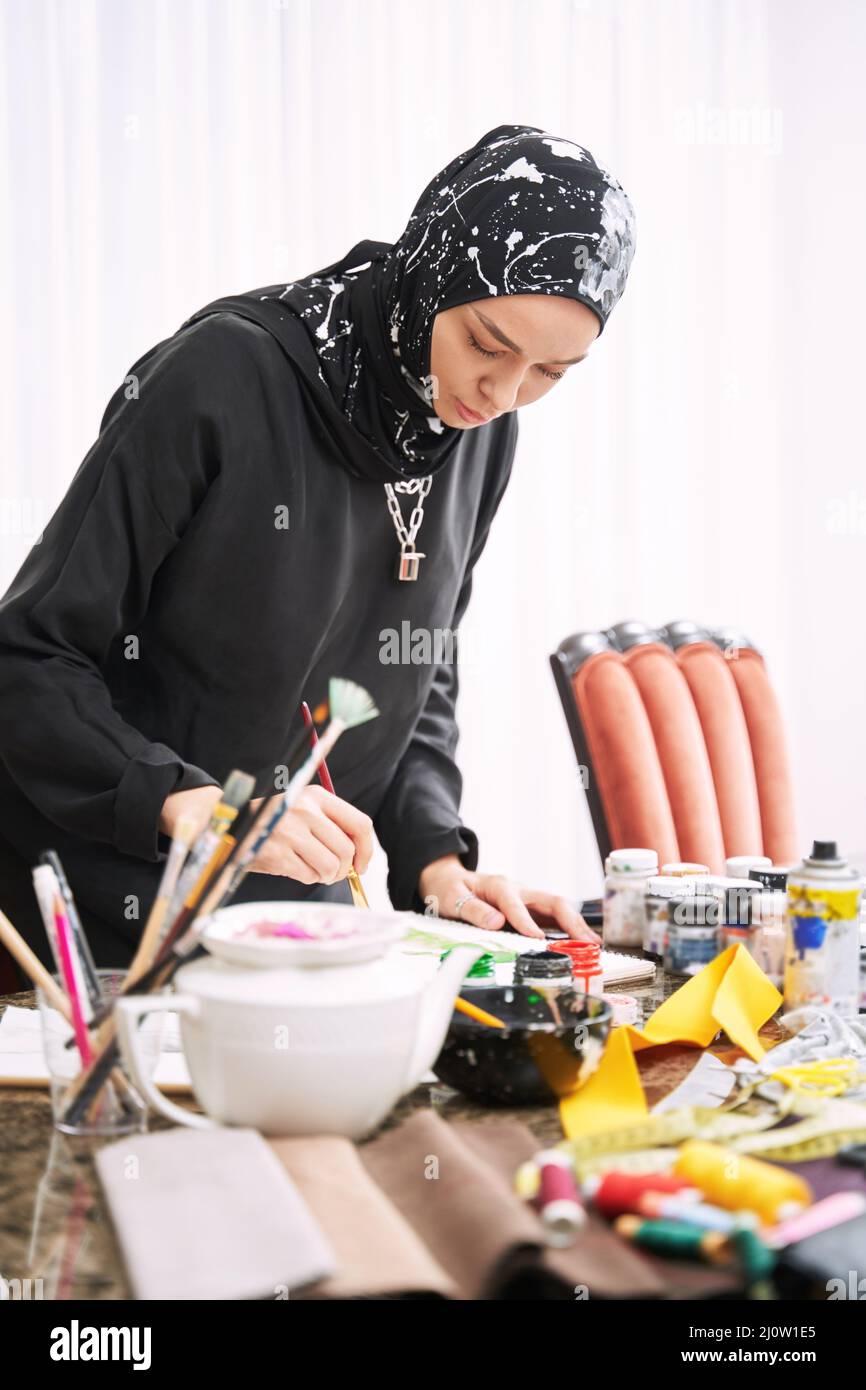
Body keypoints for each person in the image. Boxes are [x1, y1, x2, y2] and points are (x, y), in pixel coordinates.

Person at [0, 123, 636, 970]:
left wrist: (437, 858)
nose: (504, 392)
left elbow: (415, 668)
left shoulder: (478, 427)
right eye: (488, 342)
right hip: (108, 914)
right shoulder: (223, 376)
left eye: (552, 374)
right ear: (434, 268)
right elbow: (29, 657)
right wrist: (191, 804)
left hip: (304, 930)